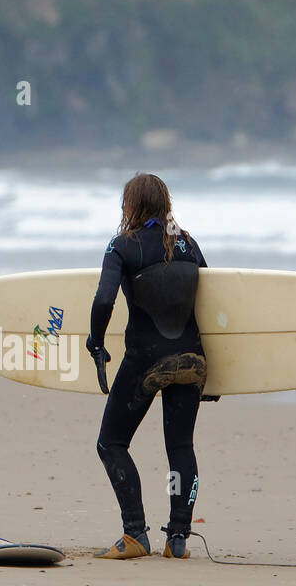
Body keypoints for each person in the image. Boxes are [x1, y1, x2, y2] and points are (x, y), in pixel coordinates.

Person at [87, 173, 210, 559]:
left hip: (146, 359)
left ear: (131, 206)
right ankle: (178, 540)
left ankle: (135, 534)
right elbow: (216, 305)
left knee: (112, 443)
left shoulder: (122, 246)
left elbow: (105, 299)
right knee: (181, 447)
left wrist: (95, 341)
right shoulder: (188, 243)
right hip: (192, 359)